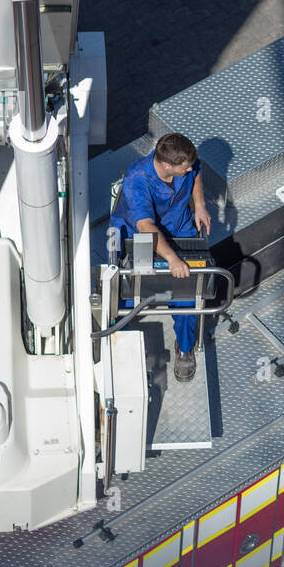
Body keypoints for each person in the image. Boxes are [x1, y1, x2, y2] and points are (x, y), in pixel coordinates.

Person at [109, 133, 213, 382]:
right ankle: (115, 331)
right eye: (183, 167)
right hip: (143, 236)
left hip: (179, 226)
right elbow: (145, 227)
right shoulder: (137, 179)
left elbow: (196, 172)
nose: (188, 169)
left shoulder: (186, 164)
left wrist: (199, 205)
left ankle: (185, 347)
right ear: (167, 165)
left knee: (187, 292)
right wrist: (172, 259)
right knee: (128, 288)